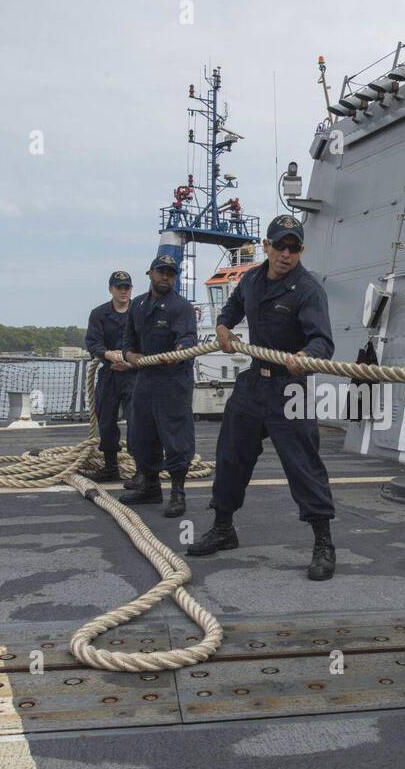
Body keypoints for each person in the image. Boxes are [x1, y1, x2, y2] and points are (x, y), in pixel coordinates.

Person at [185, 214, 338, 582]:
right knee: (230, 455)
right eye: (280, 245)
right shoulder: (251, 278)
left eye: (294, 247)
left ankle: (323, 542)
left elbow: (323, 342)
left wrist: (306, 357)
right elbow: (233, 307)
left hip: (290, 386)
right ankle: (224, 527)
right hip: (253, 383)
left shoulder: (308, 289)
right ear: (266, 246)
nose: (286, 253)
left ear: (300, 250)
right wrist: (222, 326)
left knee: (303, 463)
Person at [119, 255, 197, 517]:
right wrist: (131, 357)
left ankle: (178, 492)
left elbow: (188, 338)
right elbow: (128, 342)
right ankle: (150, 487)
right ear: (150, 273)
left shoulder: (181, 307)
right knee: (142, 434)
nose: (166, 277)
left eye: (171, 273)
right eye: (161, 272)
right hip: (145, 379)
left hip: (173, 380)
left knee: (176, 437)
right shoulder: (138, 305)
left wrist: (178, 351)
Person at [82, 270, 138, 483]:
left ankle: (139, 470)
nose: (123, 291)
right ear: (111, 289)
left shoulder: (139, 312)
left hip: (134, 374)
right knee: (105, 418)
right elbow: (93, 342)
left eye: (127, 287)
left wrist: (129, 360)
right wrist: (107, 354)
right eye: (119, 287)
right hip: (109, 374)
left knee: (136, 421)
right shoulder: (98, 314)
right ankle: (110, 465)